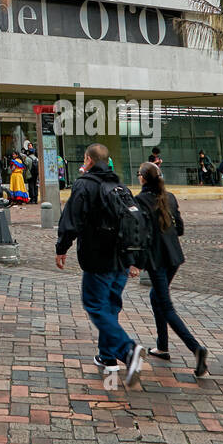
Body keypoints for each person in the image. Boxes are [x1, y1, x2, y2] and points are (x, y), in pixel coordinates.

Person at [55, 142, 145, 384]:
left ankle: (128, 350)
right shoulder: (119, 185)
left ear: (88, 160)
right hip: (121, 260)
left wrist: (62, 248)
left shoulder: (85, 185)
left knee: (94, 304)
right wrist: (134, 260)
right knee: (110, 307)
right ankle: (107, 357)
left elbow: (71, 219)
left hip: (99, 258)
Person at [136, 162, 208, 377]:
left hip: (157, 259)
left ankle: (196, 348)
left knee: (166, 306)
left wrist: (137, 261)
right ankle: (162, 346)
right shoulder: (170, 197)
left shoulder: (140, 200)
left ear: (143, 178)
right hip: (173, 256)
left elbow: (141, 233)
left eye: (140, 174)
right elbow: (180, 228)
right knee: (156, 297)